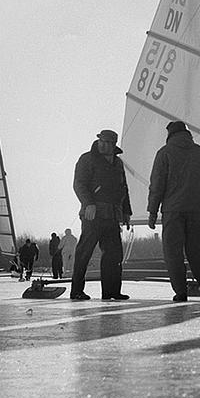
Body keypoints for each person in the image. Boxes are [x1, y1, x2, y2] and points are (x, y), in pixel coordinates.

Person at [147, 120, 200, 302]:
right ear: (188, 134)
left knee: (173, 253)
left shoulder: (164, 153)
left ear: (169, 135)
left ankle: (181, 292)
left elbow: (157, 185)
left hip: (173, 212)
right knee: (199, 253)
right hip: (197, 212)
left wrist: (153, 211)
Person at [70, 129, 132, 301]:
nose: (102, 144)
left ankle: (111, 292)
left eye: (107, 142)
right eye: (101, 141)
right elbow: (79, 184)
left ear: (113, 145)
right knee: (84, 252)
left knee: (114, 255)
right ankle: (76, 291)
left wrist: (126, 211)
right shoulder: (87, 159)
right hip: (93, 215)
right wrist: (88, 203)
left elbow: (124, 189)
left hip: (112, 215)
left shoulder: (118, 163)